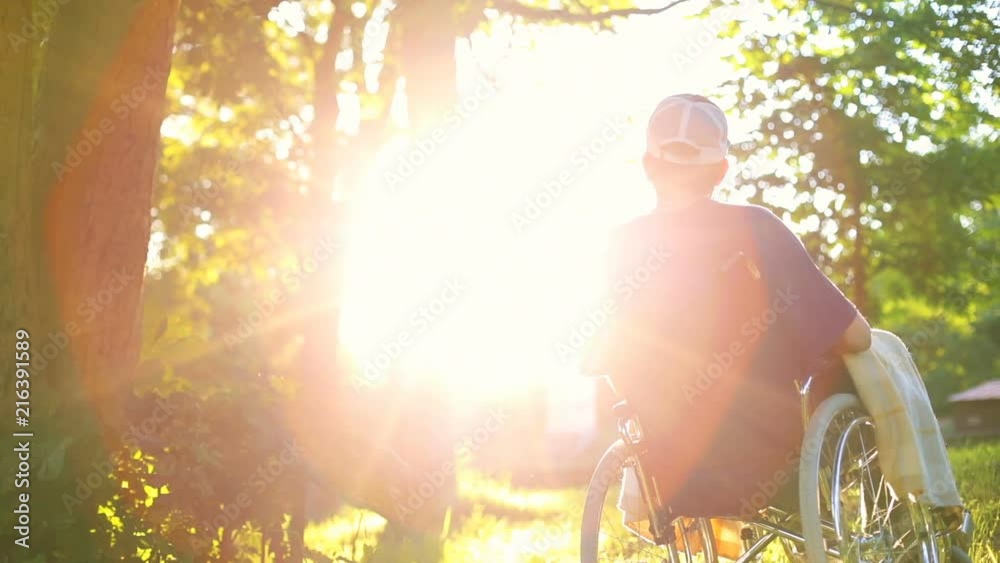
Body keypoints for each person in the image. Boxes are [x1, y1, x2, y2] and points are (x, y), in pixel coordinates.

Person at [586, 94, 872, 517]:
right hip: (774, 471)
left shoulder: (619, 247)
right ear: (721, 170)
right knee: (868, 358)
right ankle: (907, 511)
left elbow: (608, 362)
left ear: (648, 166)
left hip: (672, 478)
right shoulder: (756, 228)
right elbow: (858, 337)